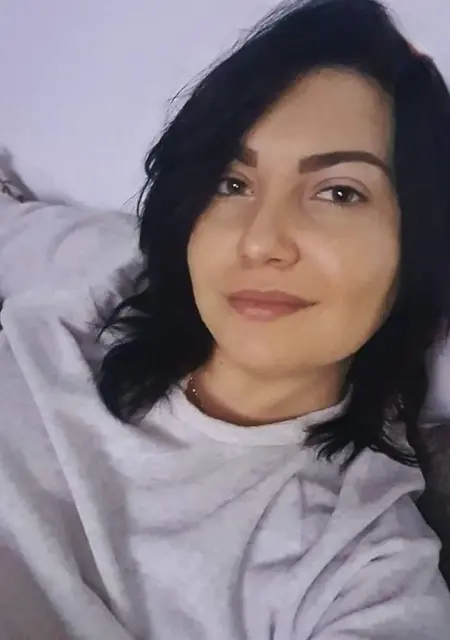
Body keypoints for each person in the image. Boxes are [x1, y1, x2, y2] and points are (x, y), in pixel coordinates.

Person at [1, 0, 450, 637]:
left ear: (420, 245)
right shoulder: (114, 272)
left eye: (339, 192)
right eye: (231, 184)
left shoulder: (358, 568)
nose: (259, 241)